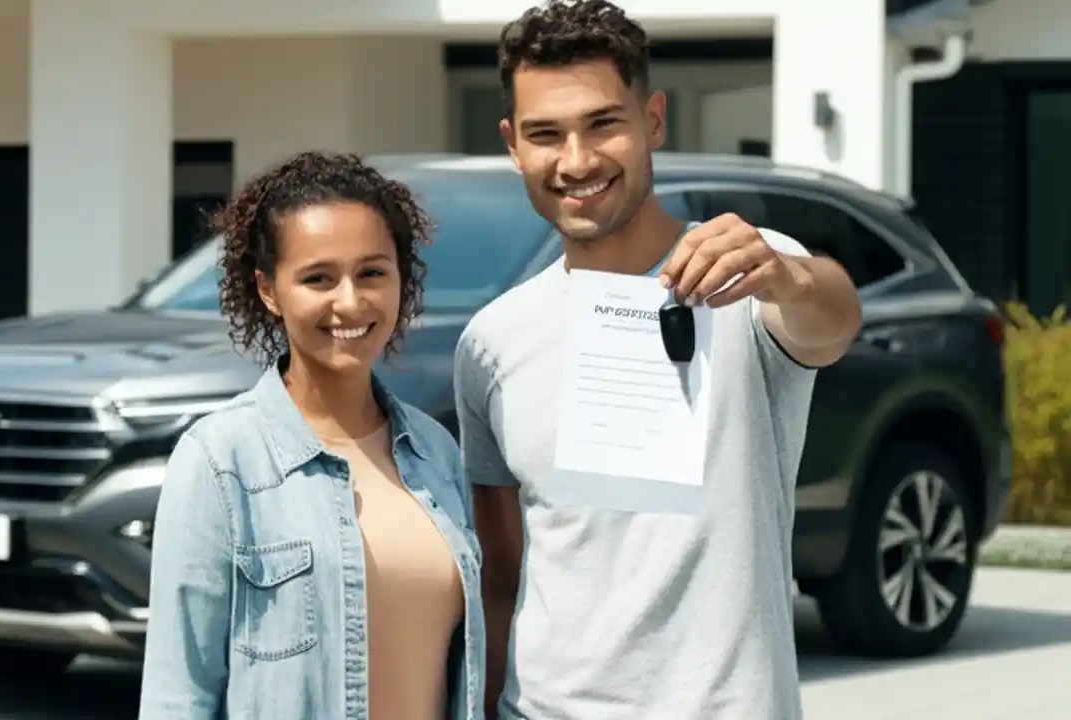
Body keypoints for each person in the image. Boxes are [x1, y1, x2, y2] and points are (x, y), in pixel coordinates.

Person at [453, 2, 864, 719]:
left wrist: (788, 276)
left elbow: (832, 323)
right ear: (513, 145)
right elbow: (502, 578)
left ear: (653, 121)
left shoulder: (744, 274)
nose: (576, 161)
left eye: (603, 123)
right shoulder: (491, 341)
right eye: (546, 134)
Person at [139, 151, 485, 720]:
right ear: (269, 290)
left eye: (372, 272)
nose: (349, 302)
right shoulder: (220, 460)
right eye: (318, 278)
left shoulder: (436, 452)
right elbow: (178, 694)